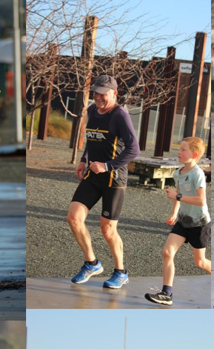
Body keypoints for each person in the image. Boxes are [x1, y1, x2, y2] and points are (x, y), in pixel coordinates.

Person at [67, 74, 140, 290]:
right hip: (92, 175)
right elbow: (92, 138)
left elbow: (134, 149)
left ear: (114, 93)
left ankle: (121, 272)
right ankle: (92, 263)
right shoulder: (91, 110)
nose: (98, 97)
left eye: (103, 94)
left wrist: (107, 165)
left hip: (113, 179)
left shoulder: (120, 115)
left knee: (107, 230)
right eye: (96, 93)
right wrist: (83, 159)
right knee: (73, 218)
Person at [146, 137, 211, 306]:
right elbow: (178, 193)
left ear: (194, 154)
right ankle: (166, 293)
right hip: (183, 222)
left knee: (201, 262)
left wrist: (178, 196)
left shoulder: (198, 174)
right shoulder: (178, 173)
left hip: (199, 223)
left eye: (183, 150)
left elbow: (201, 200)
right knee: (167, 252)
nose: (179, 152)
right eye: (180, 149)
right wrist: (174, 212)